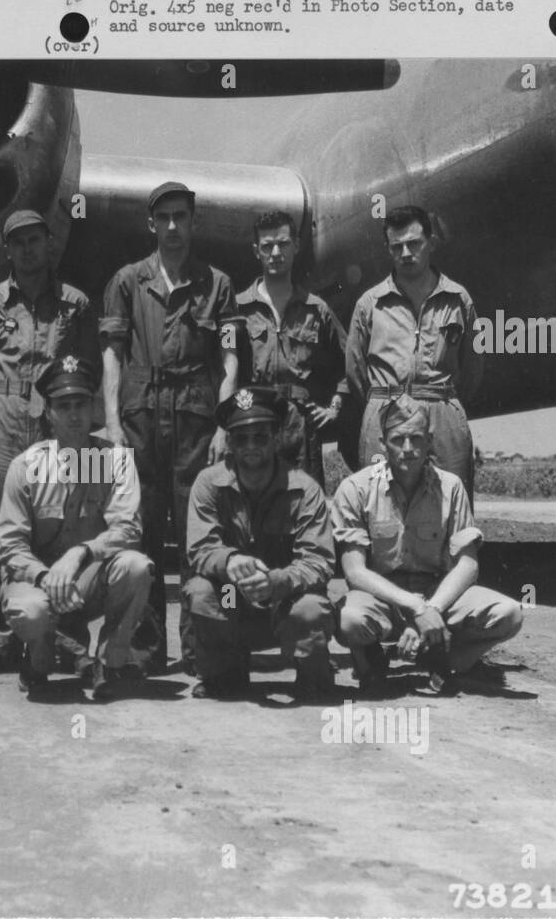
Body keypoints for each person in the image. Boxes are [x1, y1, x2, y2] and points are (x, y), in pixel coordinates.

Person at [100, 181, 240, 672]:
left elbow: (230, 355)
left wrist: (224, 424)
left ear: (194, 221)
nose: (174, 227)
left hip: (196, 419)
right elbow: (113, 355)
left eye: (183, 217)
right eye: (166, 218)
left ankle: (204, 648)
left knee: (196, 531)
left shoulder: (217, 284)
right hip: (141, 416)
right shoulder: (126, 282)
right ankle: (145, 648)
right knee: (142, 533)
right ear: (152, 224)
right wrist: (112, 424)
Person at [0, 209, 99, 676]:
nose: (27, 249)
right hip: (4, 418)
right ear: (7, 249)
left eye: (35, 240)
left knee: (65, 526)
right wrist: (10, 401)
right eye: (17, 241)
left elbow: (86, 367)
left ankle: (64, 635)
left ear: (49, 243)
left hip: (55, 421)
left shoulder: (75, 304)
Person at [330, 394, 523, 694]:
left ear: (430, 440)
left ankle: (441, 655)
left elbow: (468, 565)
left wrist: (430, 608)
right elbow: (354, 573)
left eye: (416, 439)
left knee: (509, 613)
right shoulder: (355, 489)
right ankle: (369, 659)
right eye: (398, 439)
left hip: (438, 596)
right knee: (347, 619)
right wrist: (417, 609)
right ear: (382, 443)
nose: (407, 449)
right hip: (382, 598)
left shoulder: (451, 487)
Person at [0, 356, 153, 701]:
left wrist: (80, 552)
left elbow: (128, 530)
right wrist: (43, 577)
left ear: (93, 407)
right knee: (33, 611)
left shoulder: (116, 461)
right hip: (37, 582)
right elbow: (9, 546)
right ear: (48, 413)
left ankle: (109, 662)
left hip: (88, 578)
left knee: (137, 567)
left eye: (81, 404)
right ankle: (37, 660)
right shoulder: (25, 467)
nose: (73, 414)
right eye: (63, 405)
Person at [184, 386, 336, 701]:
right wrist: (230, 562)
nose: (251, 446)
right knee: (202, 592)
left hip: (283, 603)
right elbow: (199, 549)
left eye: (260, 437)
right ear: (229, 442)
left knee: (310, 608)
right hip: (232, 601)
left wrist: (276, 582)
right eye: (241, 438)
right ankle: (226, 672)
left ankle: (311, 675)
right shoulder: (209, 483)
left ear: (277, 437)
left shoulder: (305, 490)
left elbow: (320, 562)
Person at [345, 205, 482, 499]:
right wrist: (384, 401)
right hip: (385, 411)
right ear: (388, 249)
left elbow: (472, 368)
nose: (405, 253)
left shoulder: (458, 300)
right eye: (397, 246)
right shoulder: (370, 304)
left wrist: (443, 403)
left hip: (441, 409)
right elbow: (355, 372)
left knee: (451, 506)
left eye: (413, 243)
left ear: (430, 243)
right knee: (380, 505)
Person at [236, 210, 348, 487]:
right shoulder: (237, 309)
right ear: (256, 251)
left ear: (296, 246)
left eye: (283, 244)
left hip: (301, 427)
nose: (275, 252)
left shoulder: (317, 309)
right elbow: (222, 367)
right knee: (254, 509)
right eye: (267, 246)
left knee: (306, 510)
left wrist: (334, 407)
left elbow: (350, 364)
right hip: (255, 421)